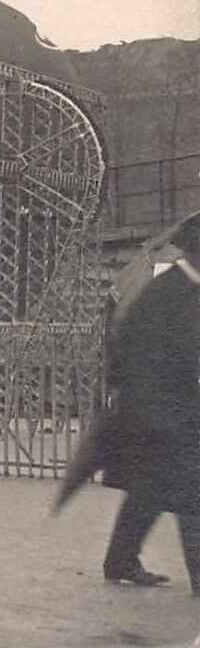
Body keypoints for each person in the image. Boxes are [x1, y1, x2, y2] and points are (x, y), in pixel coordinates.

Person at [97, 212, 200, 591]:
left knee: (150, 490)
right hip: (162, 413)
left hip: (171, 411)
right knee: (191, 493)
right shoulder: (168, 291)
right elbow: (132, 348)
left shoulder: (187, 289)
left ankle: (120, 560)